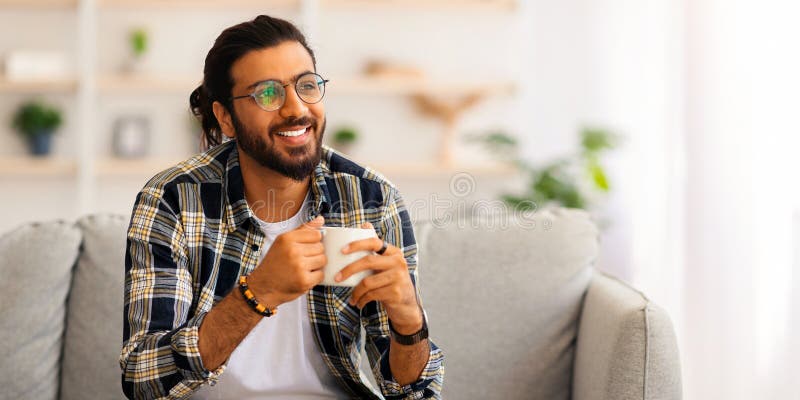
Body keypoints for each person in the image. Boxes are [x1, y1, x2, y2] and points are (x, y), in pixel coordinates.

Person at [119, 15, 444, 400]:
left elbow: (414, 394)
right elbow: (143, 380)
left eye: (306, 86)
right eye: (267, 93)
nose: (296, 109)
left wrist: (410, 323)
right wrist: (259, 292)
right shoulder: (174, 199)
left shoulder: (371, 198)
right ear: (226, 118)